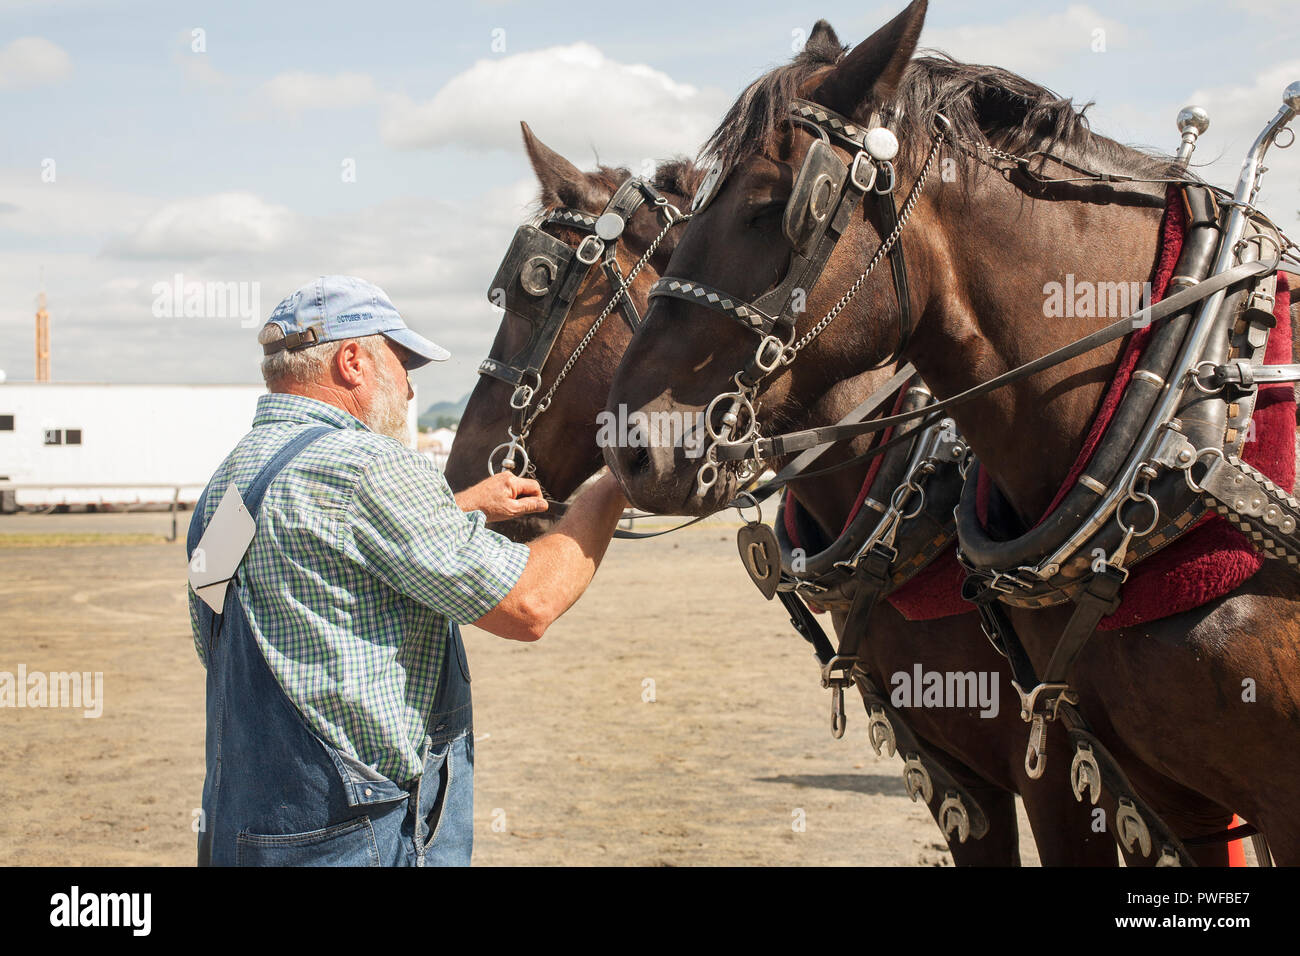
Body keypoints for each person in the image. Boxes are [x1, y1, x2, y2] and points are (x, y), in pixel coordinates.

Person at [185, 275, 627, 866]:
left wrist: (459, 507)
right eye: (402, 364)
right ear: (352, 362)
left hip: (248, 827)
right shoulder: (370, 468)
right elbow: (530, 605)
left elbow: (237, 617)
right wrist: (618, 480)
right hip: (358, 835)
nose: (411, 391)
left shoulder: (231, 481)